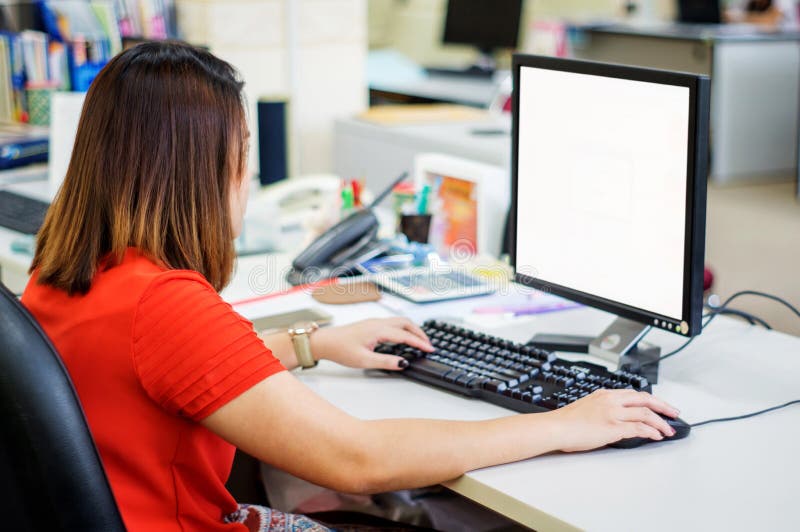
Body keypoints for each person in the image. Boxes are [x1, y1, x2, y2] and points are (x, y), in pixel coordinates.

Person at [21, 41, 680, 531]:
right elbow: (355, 457)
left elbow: (179, 371)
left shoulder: (66, 273)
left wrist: (313, 343)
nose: (247, 177)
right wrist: (562, 425)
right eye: (243, 152)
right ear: (203, 172)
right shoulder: (165, 304)